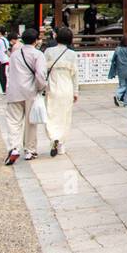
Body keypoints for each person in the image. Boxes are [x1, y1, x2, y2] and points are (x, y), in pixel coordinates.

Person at [3, 27, 49, 165]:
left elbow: (9, 72)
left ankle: (14, 147)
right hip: (30, 92)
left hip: (14, 91)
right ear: (36, 40)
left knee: (13, 122)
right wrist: (42, 87)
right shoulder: (38, 55)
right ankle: (29, 150)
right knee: (31, 122)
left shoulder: (15, 54)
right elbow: (40, 75)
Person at [43, 27, 80, 158]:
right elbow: (75, 75)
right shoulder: (72, 54)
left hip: (52, 86)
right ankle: (61, 144)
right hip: (67, 86)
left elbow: (43, 71)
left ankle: (54, 137)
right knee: (65, 115)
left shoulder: (48, 51)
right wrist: (76, 91)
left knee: (51, 113)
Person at [0, 28, 11, 92]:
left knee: (1, 74)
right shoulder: (6, 40)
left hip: (0, 59)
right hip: (6, 58)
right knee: (4, 74)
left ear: (0, 33)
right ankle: (5, 88)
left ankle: (2, 88)